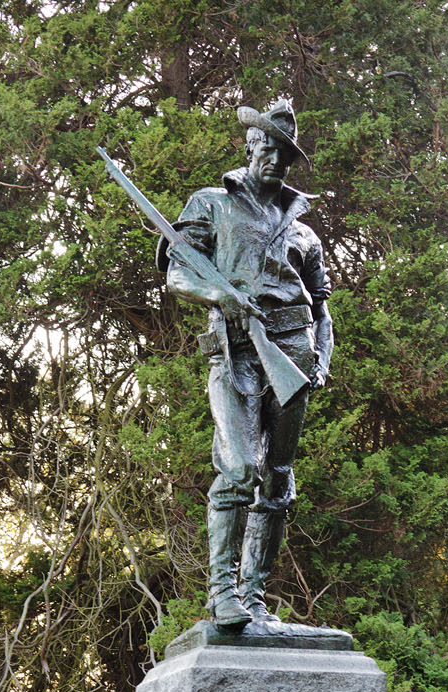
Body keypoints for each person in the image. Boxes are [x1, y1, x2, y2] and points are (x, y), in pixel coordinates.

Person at [160, 99, 334, 629]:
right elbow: (178, 274)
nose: (277, 160)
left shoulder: (304, 232)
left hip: (294, 355)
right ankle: (222, 595)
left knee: (277, 480)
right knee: (237, 469)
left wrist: (320, 360)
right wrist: (220, 294)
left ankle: (254, 597)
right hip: (235, 350)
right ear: (250, 146)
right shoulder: (211, 203)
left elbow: (322, 308)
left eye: (286, 153)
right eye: (269, 148)